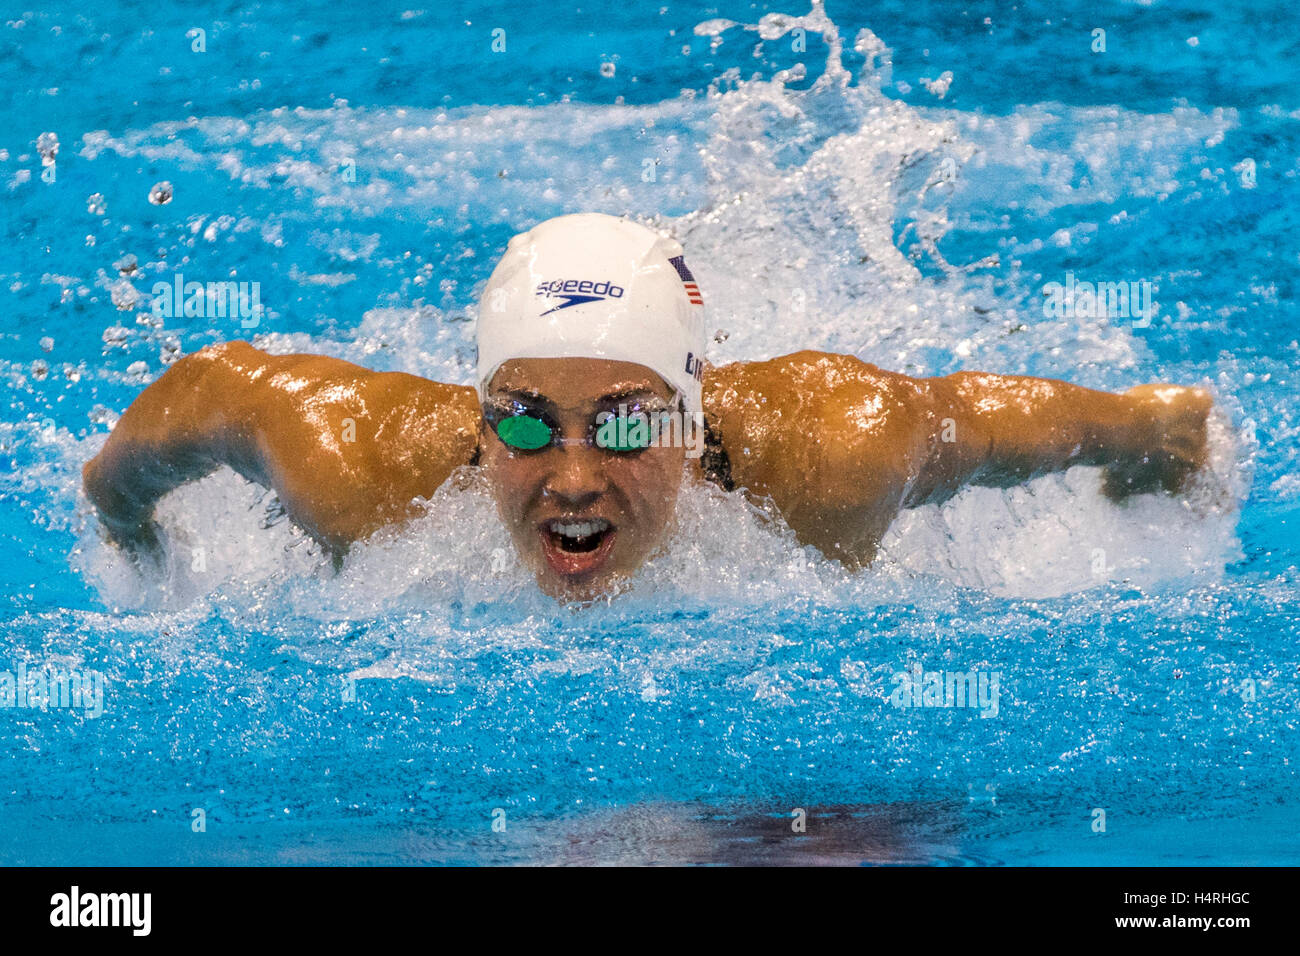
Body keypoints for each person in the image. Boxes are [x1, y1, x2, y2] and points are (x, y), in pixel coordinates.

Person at [82, 213, 1214, 602]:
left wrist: (1152, 436)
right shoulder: (354, 466)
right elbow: (205, 398)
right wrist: (132, 535)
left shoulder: (838, 448)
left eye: (624, 422)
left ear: (689, 412)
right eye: (524, 420)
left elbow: (1032, 421)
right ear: (480, 420)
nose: (571, 475)